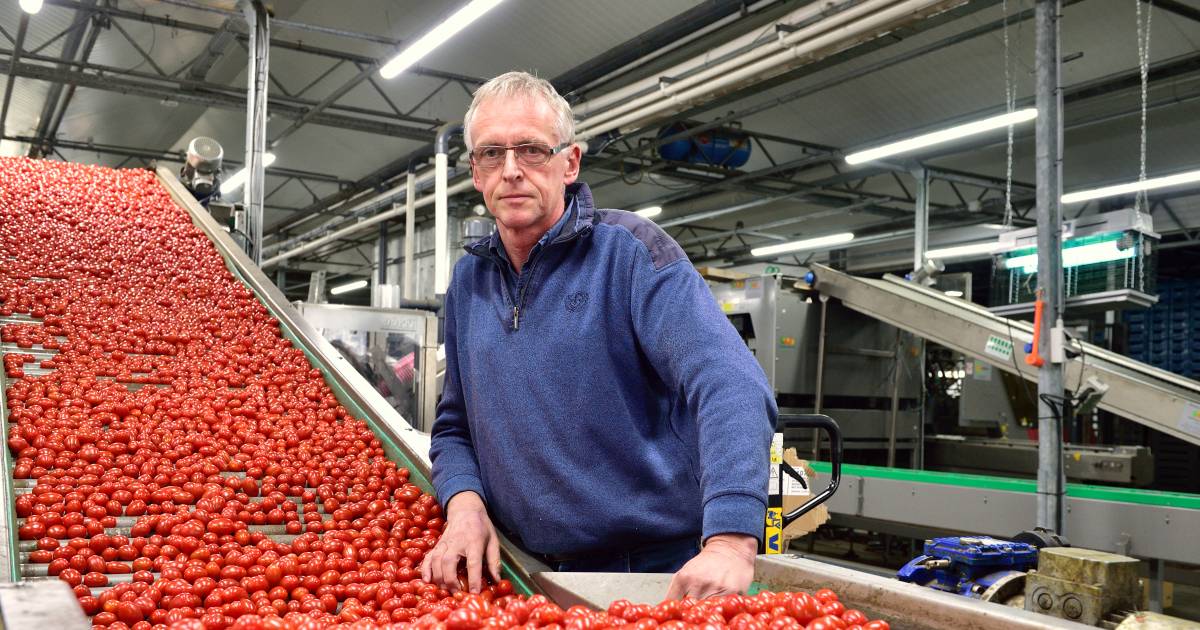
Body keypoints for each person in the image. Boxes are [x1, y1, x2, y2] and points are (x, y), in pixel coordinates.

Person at [423, 71, 776, 599]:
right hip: (520, 567)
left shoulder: (630, 254)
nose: (512, 170)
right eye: (492, 153)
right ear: (475, 172)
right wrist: (464, 504)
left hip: (649, 569)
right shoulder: (468, 282)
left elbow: (730, 384)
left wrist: (731, 539)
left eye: (532, 150)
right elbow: (454, 427)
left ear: (570, 162)